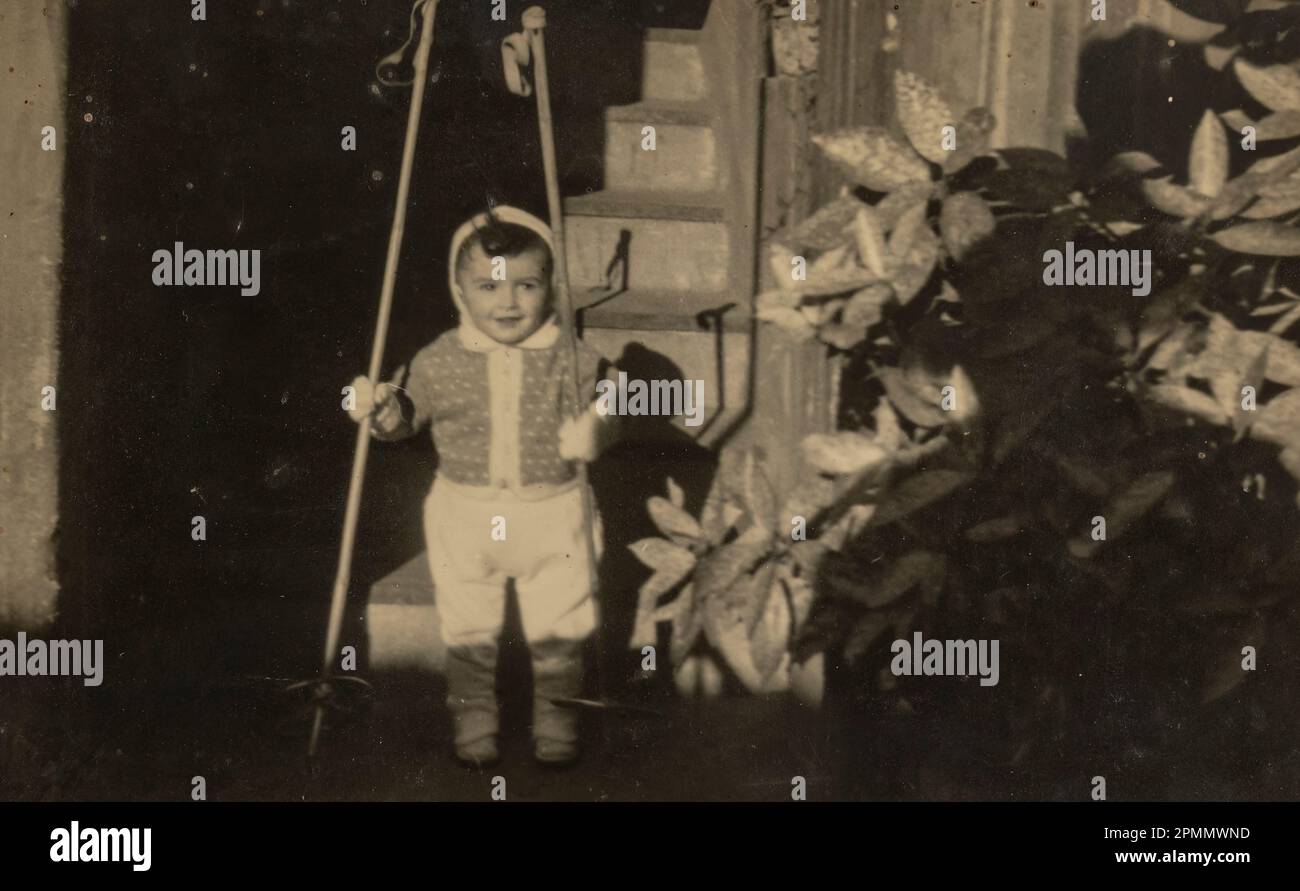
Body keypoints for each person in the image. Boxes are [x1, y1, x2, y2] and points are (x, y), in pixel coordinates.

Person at [347, 205, 616, 766]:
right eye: (488, 285)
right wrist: (378, 410)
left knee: (560, 631)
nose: (508, 301)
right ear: (459, 289)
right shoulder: (441, 357)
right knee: (469, 630)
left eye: (527, 284)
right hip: (465, 519)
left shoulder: (571, 356)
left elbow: (618, 400)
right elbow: (405, 417)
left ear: (550, 288)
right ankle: (473, 721)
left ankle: (557, 722)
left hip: (555, 514)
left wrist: (599, 426)